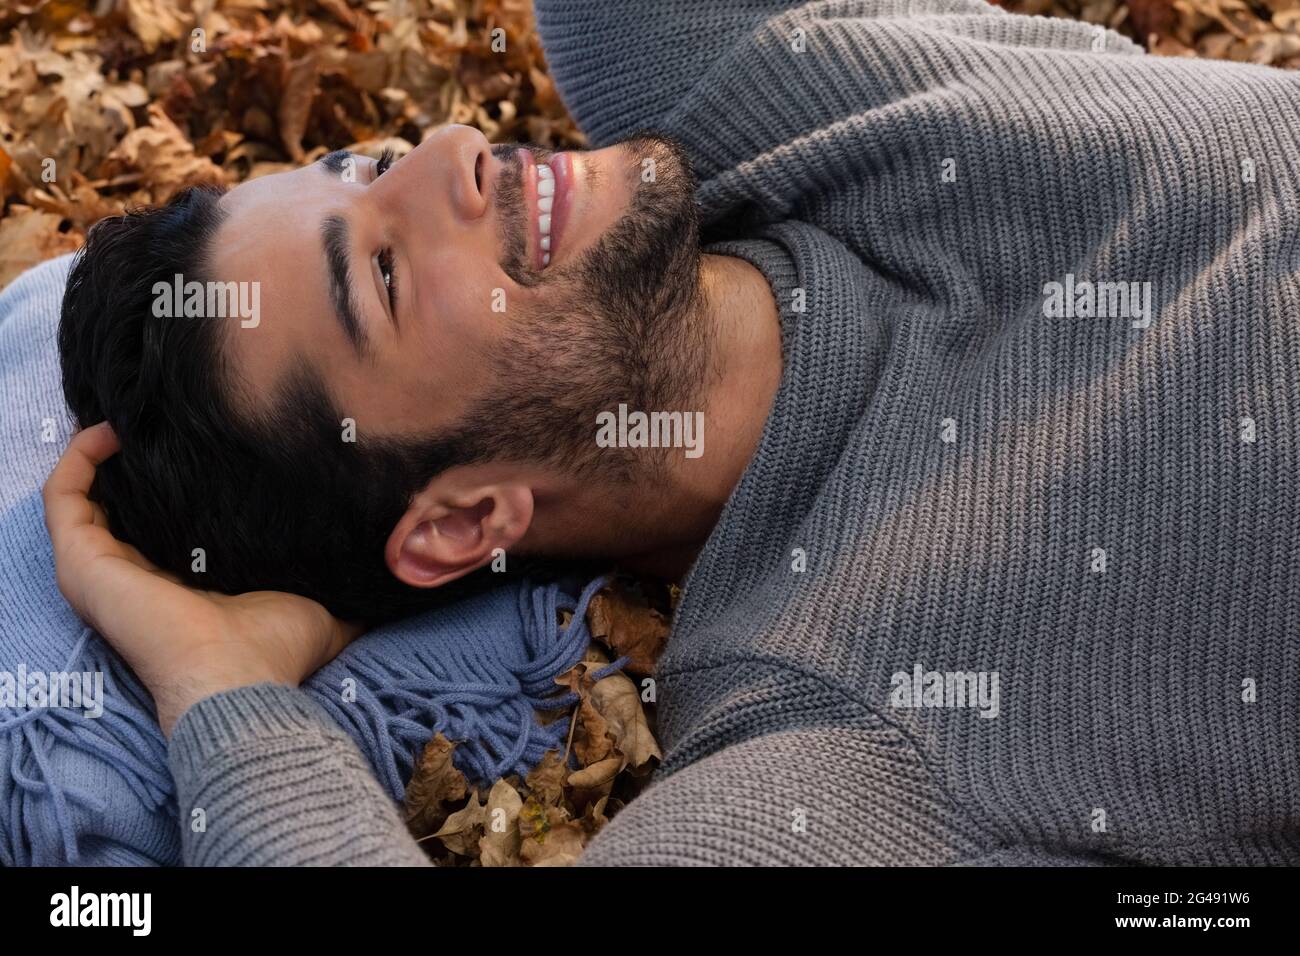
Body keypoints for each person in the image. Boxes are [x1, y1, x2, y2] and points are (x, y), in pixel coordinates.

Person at [49, 0, 1300, 865]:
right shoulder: (846, 733)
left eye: (367, 160)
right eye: (379, 272)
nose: (446, 153)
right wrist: (218, 684)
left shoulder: (748, 97)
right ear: (464, 519)